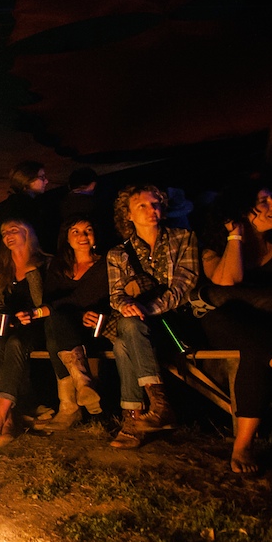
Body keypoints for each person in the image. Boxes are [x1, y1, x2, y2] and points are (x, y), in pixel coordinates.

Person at [196, 179, 272, 473]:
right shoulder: (214, 249)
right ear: (240, 212)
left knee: (256, 350)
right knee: (224, 310)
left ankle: (242, 448)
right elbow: (226, 283)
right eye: (264, 202)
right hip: (229, 328)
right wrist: (235, 236)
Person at [106, 184, 199, 449]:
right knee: (126, 332)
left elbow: (183, 286)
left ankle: (133, 421)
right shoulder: (118, 253)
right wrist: (126, 306)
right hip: (139, 327)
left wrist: (145, 309)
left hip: (176, 323)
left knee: (124, 337)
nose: (151, 210)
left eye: (155, 204)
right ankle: (157, 407)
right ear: (129, 215)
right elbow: (116, 295)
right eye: (142, 206)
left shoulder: (183, 238)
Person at [0, 220, 48, 447]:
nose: (8, 235)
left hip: (36, 324)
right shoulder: (2, 267)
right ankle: (8, 419)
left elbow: (42, 303)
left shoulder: (44, 263)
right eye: (4, 232)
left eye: (14, 230)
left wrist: (31, 271)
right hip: (9, 324)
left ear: (28, 233)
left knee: (16, 343)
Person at [36, 217, 107, 432]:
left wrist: (77, 313)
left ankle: (68, 407)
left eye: (88, 230)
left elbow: (85, 297)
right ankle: (82, 383)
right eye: (75, 231)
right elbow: (49, 299)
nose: (82, 236)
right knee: (54, 321)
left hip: (93, 330)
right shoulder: (58, 266)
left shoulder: (104, 264)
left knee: (54, 320)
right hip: (65, 331)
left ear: (95, 236)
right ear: (66, 237)